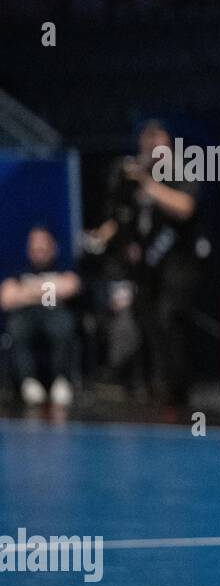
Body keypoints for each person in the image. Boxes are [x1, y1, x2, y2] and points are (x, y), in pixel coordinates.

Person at [93, 120, 201, 406]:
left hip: (177, 264)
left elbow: (185, 208)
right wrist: (106, 235)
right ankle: (148, 384)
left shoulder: (181, 170)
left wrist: (149, 185)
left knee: (169, 320)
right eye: (147, 143)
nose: (152, 149)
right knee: (145, 319)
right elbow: (122, 216)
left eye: (158, 143)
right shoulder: (134, 176)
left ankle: (177, 390)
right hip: (146, 268)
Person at [1, 226, 81, 407]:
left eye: (43, 246)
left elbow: (71, 286)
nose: (39, 251)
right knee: (17, 326)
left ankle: (61, 380)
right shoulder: (19, 270)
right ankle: (28, 382)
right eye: (35, 247)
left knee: (62, 324)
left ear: (52, 247)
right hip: (26, 317)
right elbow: (6, 298)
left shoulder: (63, 266)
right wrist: (49, 288)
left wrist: (26, 292)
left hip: (54, 314)